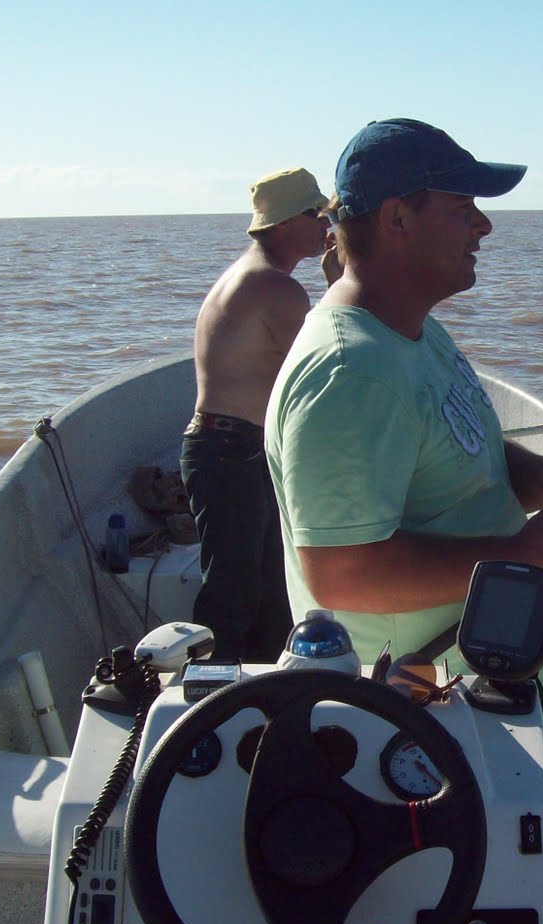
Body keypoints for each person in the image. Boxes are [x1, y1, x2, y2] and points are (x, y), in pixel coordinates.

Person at [266, 118, 543, 779]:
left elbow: (465, 458)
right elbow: (340, 572)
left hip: (528, 676)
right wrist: (521, 552)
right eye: (463, 207)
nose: (483, 226)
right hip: (454, 721)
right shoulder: (350, 372)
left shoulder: (411, 334)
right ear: (398, 218)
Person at [181, 167, 331, 662]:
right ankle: (208, 705)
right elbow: (329, 363)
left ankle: (264, 700)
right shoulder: (276, 289)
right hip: (232, 452)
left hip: (234, 449)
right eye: (317, 214)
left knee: (269, 596)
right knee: (233, 597)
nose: (326, 226)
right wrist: (341, 283)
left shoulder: (253, 277)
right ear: (287, 222)